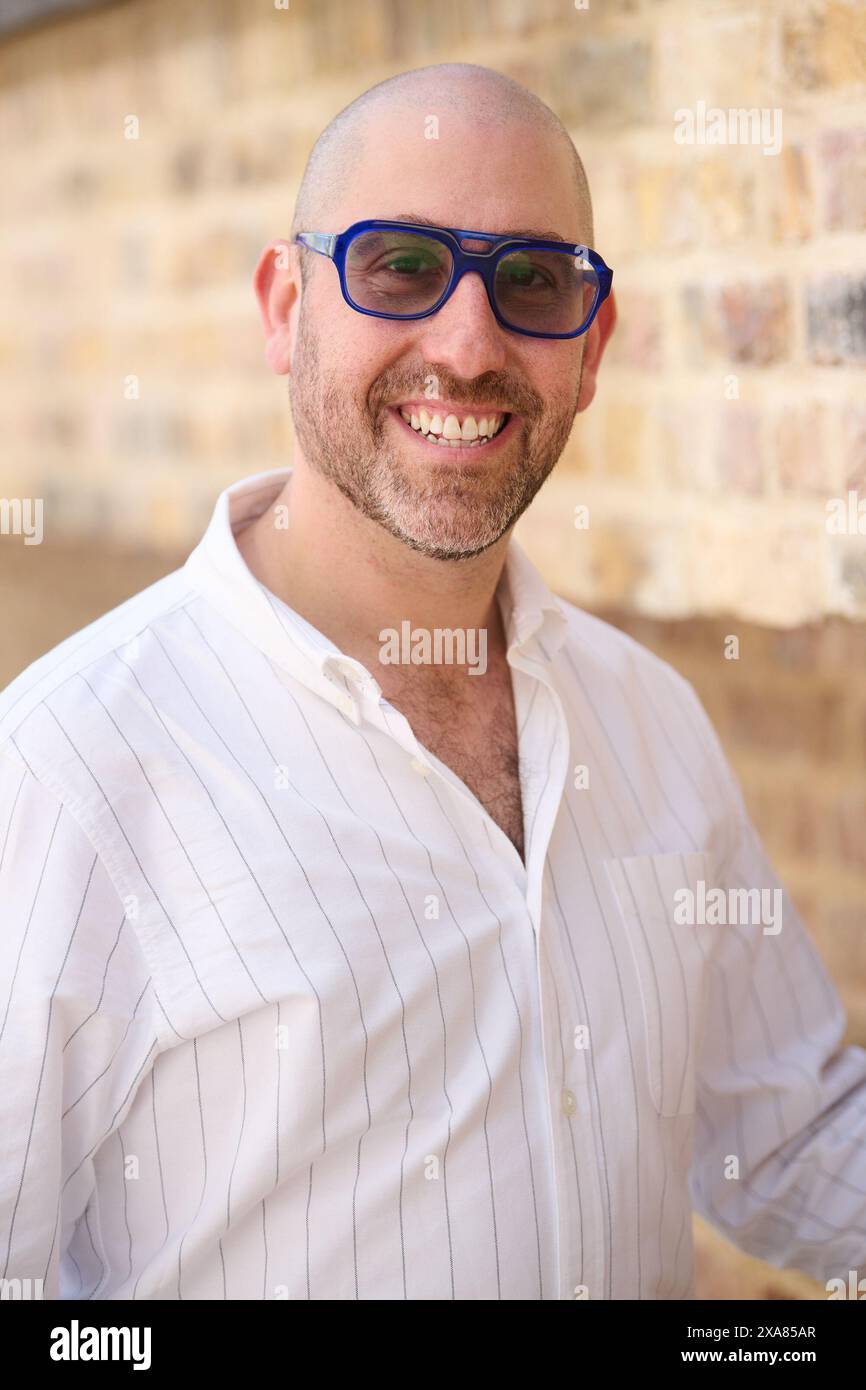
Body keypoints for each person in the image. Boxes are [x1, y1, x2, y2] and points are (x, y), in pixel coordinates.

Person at [1, 63, 864, 1301]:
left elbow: (781, 1135)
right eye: (398, 265)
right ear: (281, 304)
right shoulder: (62, 774)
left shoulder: (648, 720)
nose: (466, 346)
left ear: (593, 343)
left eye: (530, 282)